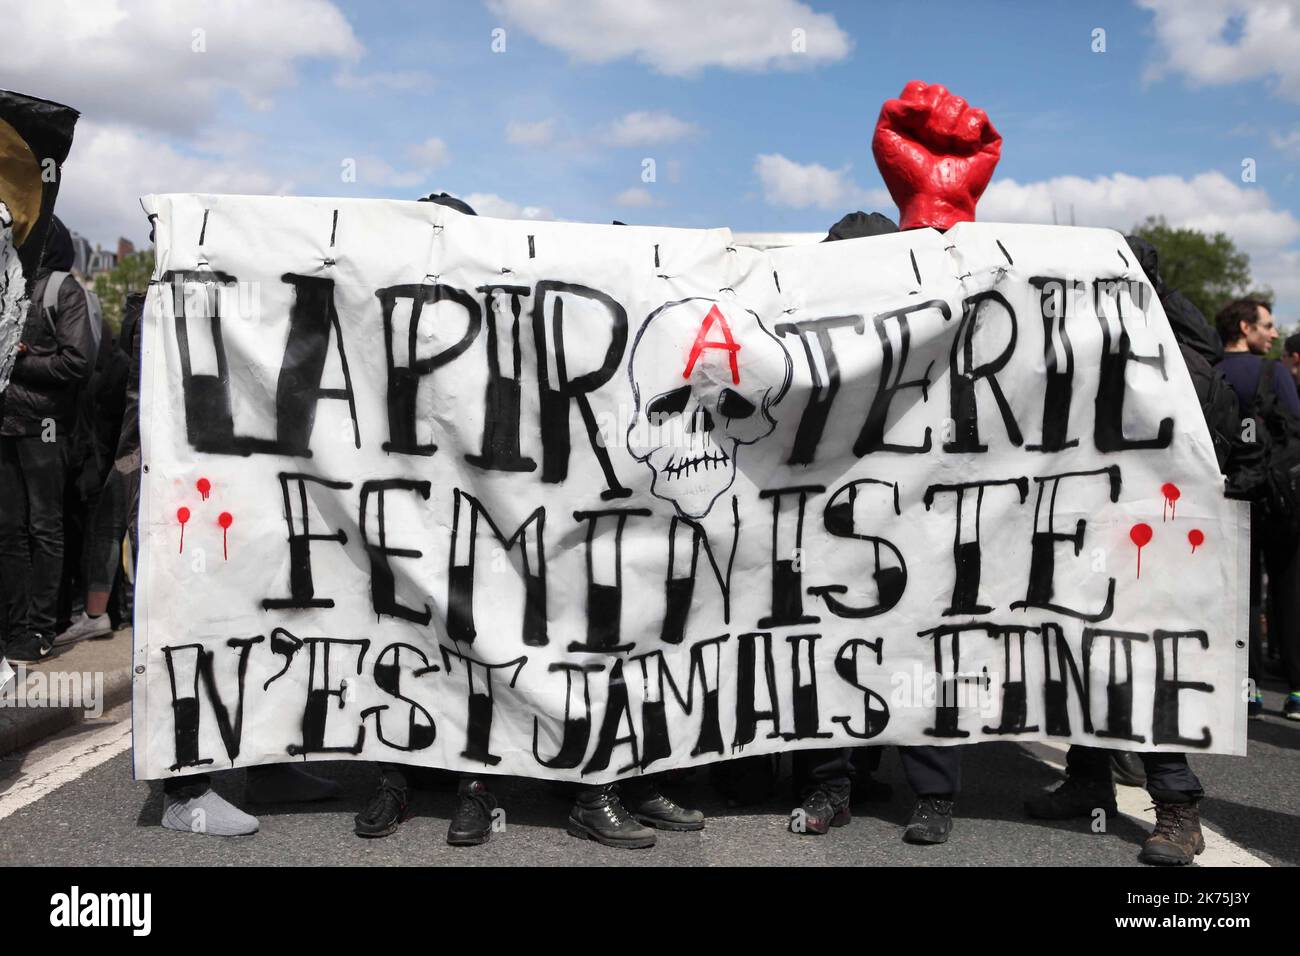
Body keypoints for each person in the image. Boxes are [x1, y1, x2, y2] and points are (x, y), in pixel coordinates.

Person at [1023, 238, 1238, 866]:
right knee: (1090, 650)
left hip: (1153, 532)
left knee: (1139, 660)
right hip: (1107, 521)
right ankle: (1089, 777)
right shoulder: (1143, 337)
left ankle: (1179, 804)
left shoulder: (1167, 352)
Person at [0, 217, 93, 662]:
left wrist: (19, 360)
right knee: (9, 534)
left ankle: (39, 630)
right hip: (7, 425)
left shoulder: (63, 290)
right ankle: (15, 629)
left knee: (43, 529)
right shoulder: (8, 287)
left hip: (45, 428)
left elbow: (77, 362)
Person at [1216, 298, 1300, 722]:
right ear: (1245, 327)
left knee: (1242, 595)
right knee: (1286, 591)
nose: (1272, 334)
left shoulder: (1210, 370)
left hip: (1231, 494)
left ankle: (1245, 687)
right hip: (1279, 499)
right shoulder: (1274, 372)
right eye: (1267, 326)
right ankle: (1296, 690)